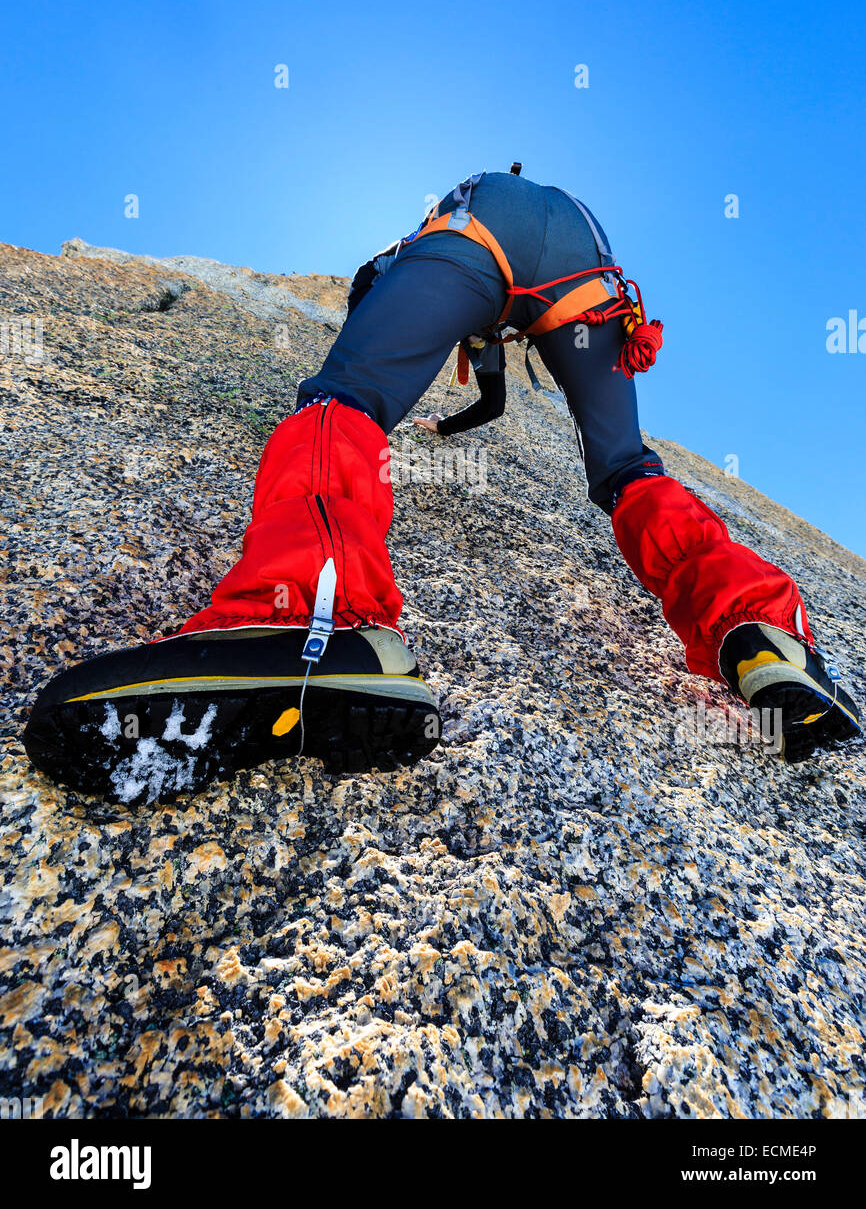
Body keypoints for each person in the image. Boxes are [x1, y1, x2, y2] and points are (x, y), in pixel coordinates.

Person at [24, 168, 860, 804]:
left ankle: (306, 621)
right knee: (626, 468)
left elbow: (387, 359)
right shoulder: (510, 280)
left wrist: (394, 374)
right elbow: (493, 394)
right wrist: (446, 432)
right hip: (589, 274)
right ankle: (758, 631)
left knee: (340, 399)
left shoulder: (413, 259)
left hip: (479, 231)